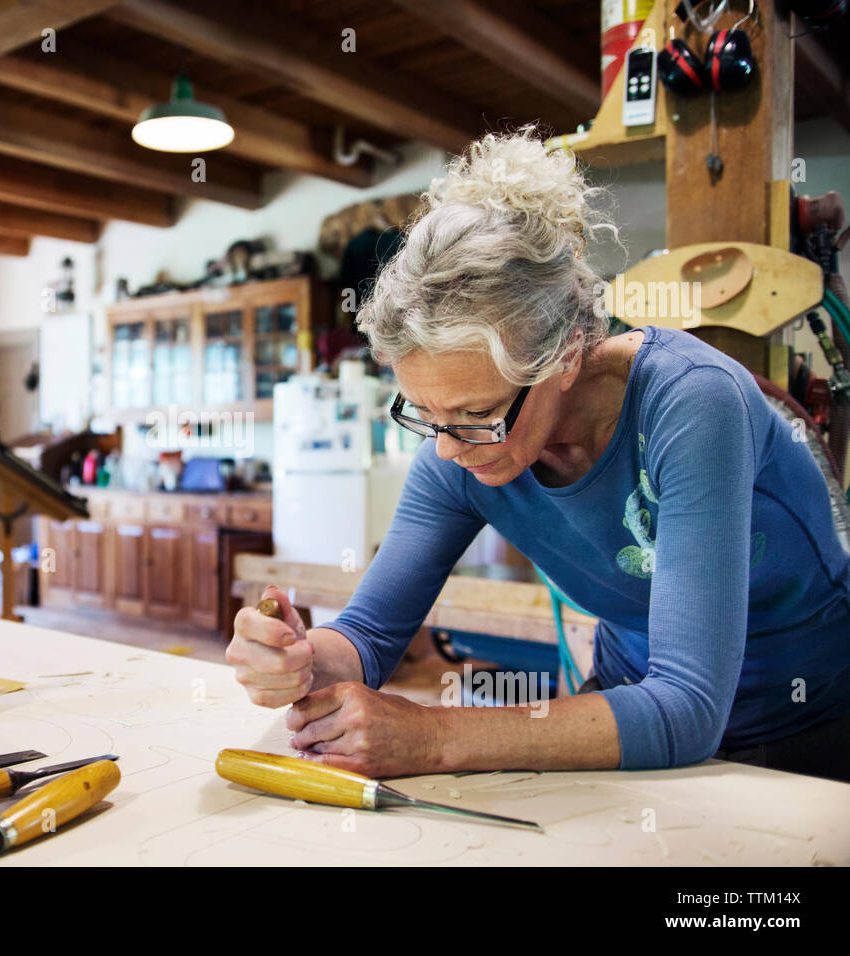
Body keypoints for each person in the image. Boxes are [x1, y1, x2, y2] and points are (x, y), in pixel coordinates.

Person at [228, 125, 850, 782]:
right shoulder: (456, 447)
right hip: (630, 714)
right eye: (427, 414)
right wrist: (297, 658)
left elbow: (689, 707)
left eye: (475, 416)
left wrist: (434, 735)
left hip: (805, 726)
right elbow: (368, 637)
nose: (447, 448)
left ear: (566, 357)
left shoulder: (691, 404)